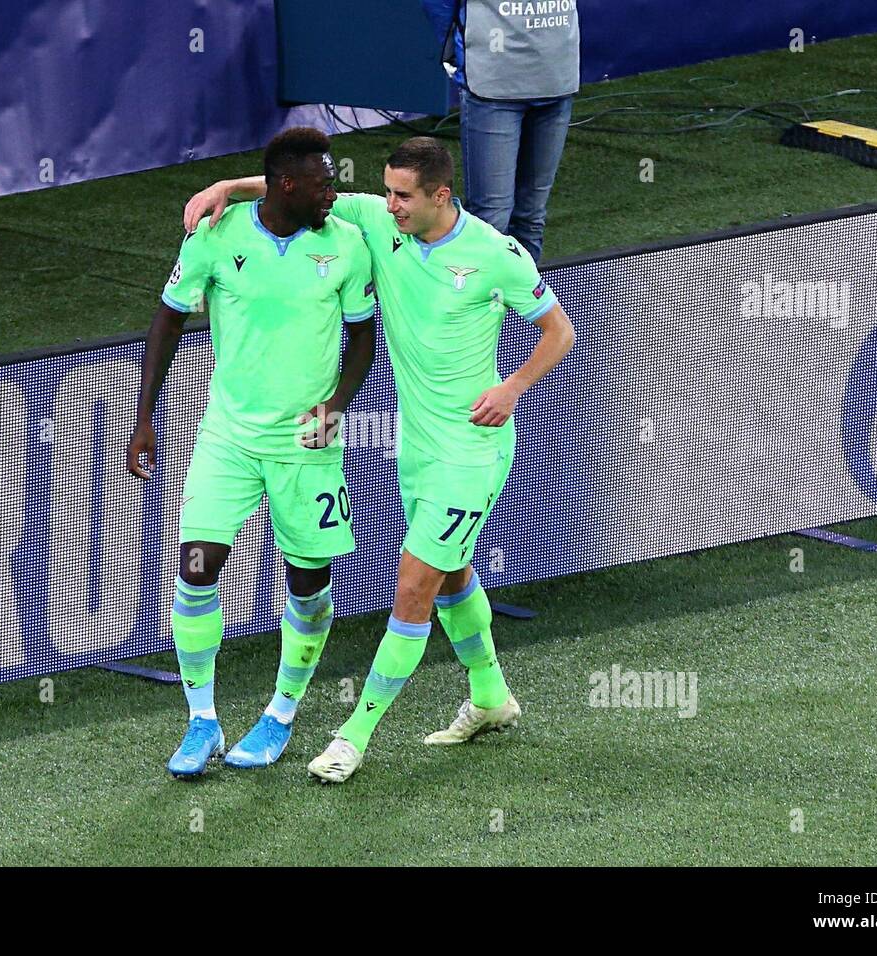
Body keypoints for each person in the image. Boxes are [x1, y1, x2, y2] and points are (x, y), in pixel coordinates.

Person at [185, 136, 574, 783]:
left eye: (401, 195)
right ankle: (490, 698)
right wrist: (228, 188)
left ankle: (352, 736)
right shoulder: (378, 222)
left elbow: (558, 330)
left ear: (439, 196)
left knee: (414, 584)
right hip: (417, 448)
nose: (388, 204)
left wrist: (513, 388)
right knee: (451, 575)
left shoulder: (493, 255)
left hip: (471, 451)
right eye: (387, 191)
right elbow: (306, 190)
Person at [129, 127, 377, 778]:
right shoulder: (217, 235)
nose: (334, 192)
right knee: (196, 567)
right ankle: (201, 721)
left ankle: (281, 713)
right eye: (324, 182)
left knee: (308, 585)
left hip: (306, 445)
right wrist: (144, 417)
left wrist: (338, 405)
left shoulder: (347, 246)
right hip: (229, 436)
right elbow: (167, 318)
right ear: (289, 186)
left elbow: (362, 342)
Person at [422, 0, 580, 263]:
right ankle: (483, 303)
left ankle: (526, 301)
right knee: (491, 220)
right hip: (493, 87)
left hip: (557, 81)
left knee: (531, 216)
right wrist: (457, 52)